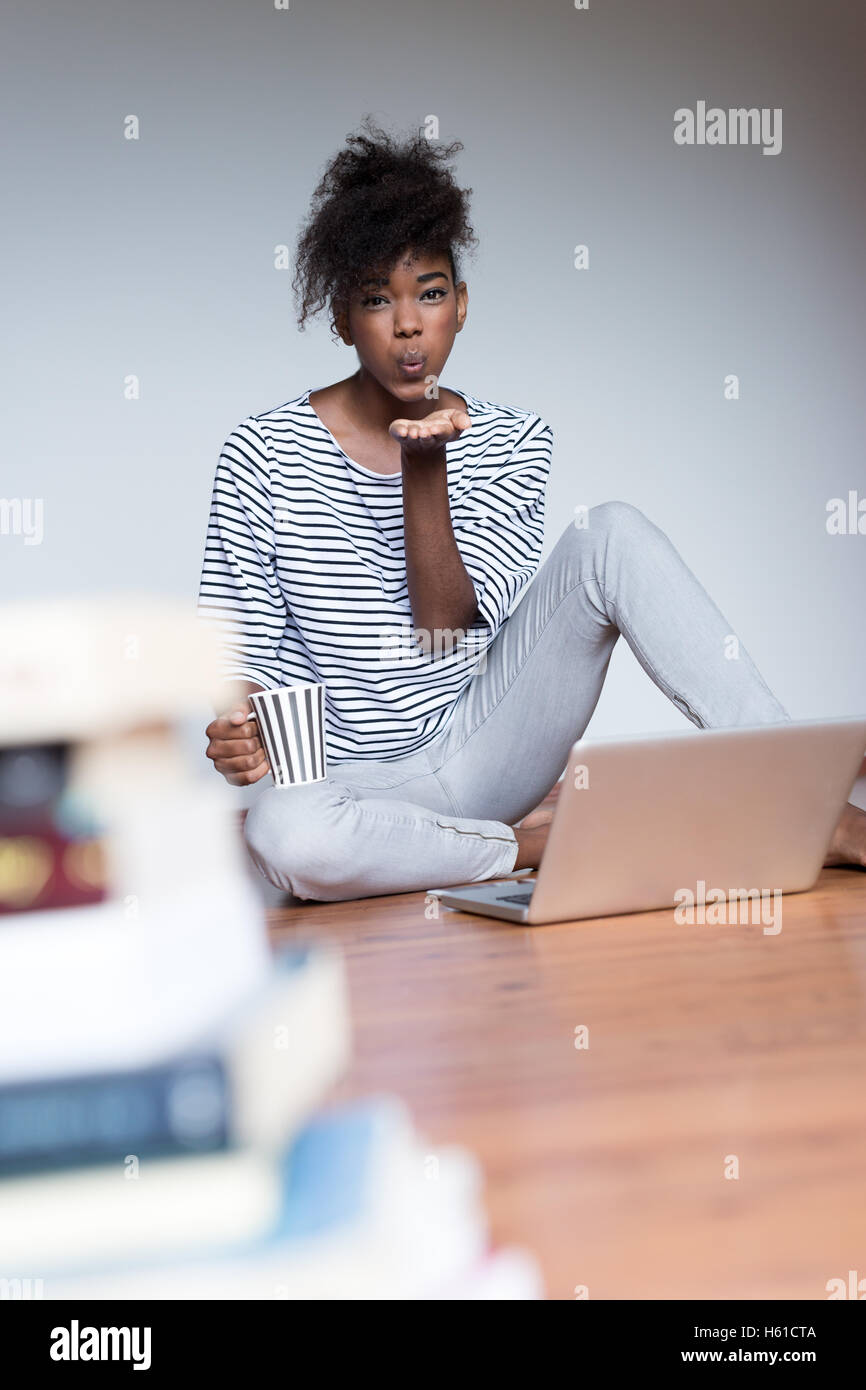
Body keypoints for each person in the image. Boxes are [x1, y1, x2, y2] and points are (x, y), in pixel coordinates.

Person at [198, 119, 866, 903]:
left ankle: (797, 790)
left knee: (610, 530)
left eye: (431, 292)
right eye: (378, 299)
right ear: (342, 318)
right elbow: (235, 651)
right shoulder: (260, 450)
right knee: (283, 835)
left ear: (463, 303)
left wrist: (425, 466)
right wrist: (233, 731)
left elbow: (443, 623)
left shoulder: (515, 440)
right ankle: (535, 843)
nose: (409, 323)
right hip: (345, 790)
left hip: (483, 752)